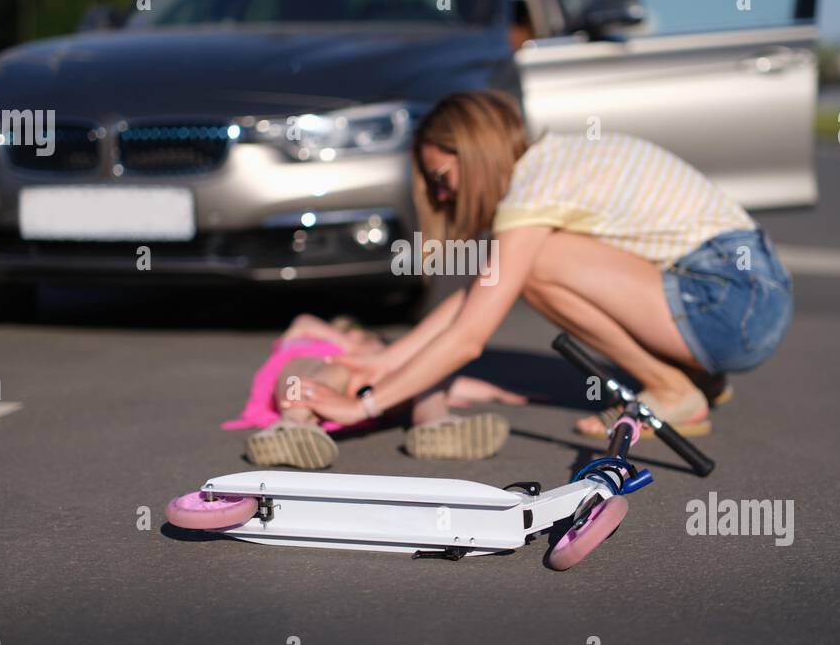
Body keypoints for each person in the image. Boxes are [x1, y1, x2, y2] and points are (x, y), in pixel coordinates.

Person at [296, 90, 793, 441]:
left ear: (473, 151)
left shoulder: (533, 194)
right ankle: (698, 376)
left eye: (442, 177)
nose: (443, 194)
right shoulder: (551, 166)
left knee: (536, 268)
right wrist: (386, 362)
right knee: (523, 263)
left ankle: (672, 390)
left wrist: (362, 405)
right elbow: (481, 291)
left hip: (730, 301)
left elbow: (470, 334)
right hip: (750, 293)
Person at [223, 313, 525, 468]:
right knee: (304, 378)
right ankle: (292, 424)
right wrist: (349, 344)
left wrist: (497, 393)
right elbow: (303, 320)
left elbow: (443, 377)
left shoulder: (380, 360)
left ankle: (436, 423)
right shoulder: (314, 346)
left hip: (368, 394)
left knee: (424, 376)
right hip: (309, 388)